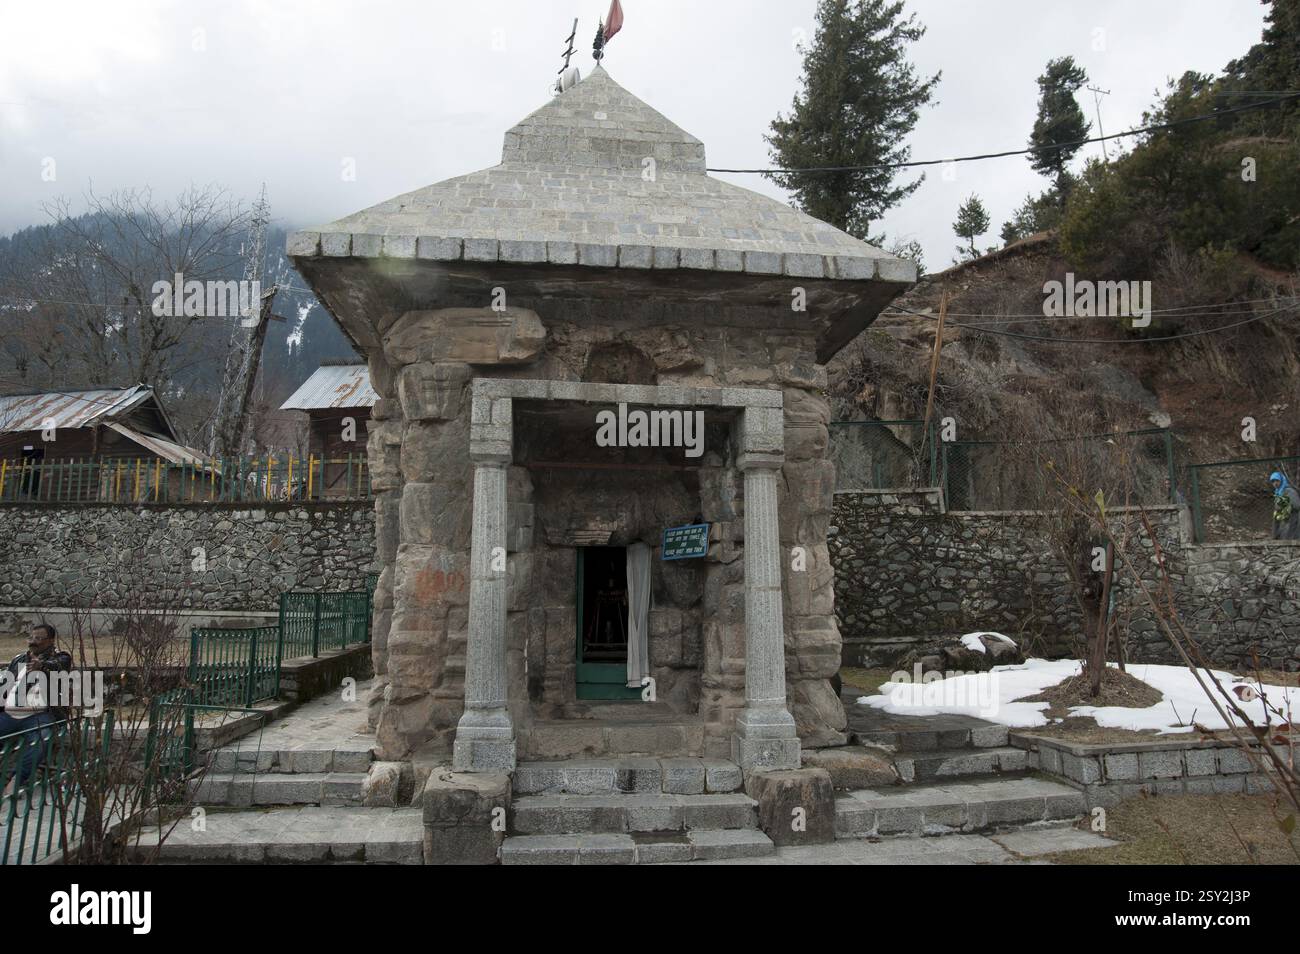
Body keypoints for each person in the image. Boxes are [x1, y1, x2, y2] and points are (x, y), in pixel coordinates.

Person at [0, 623, 72, 796]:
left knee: (41, 740)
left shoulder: (60, 658)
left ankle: (15, 782)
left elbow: (59, 666)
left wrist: (43, 667)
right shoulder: (19, 659)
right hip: (9, 714)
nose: (33, 642)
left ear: (50, 641)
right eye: (31, 637)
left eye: (38, 638)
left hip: (39, 715)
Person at [1269, 471, 1300, 541]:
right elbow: (1276, 513)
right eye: (1273, 481)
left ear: (1282, 480)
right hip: (1283, 524)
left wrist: (1284, 506)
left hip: (1293, 521)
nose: (1275, 483)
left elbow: (1297, 506)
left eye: (1277, 480)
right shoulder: (1278, 494)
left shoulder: (1290, 491)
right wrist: (1274, 534)